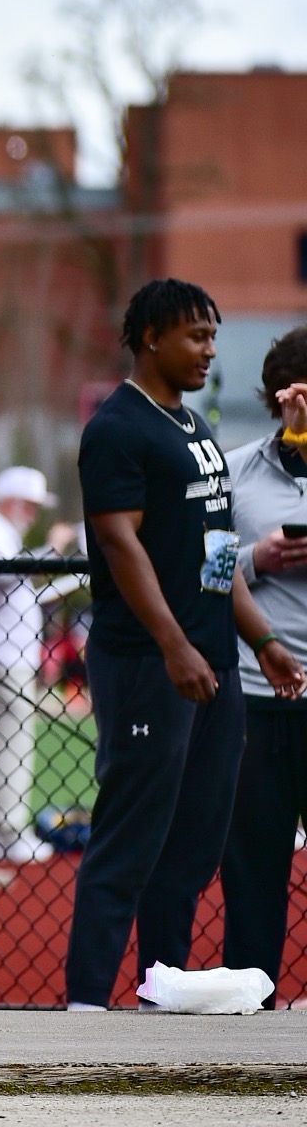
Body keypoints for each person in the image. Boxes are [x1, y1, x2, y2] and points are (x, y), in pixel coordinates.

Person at [66, 278, 305, 1012]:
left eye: (211, 334)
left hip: (216, 665)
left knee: (195, 844)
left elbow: (217, 551)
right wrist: (172, 643)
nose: (208, 349)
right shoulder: (118, 429)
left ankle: (160, 986)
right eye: (196, 336)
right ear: (151, 339)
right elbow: (119, 543)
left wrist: (257, 637)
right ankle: (83, 1008)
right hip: (148, 663)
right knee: (130, 837)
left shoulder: (194, 431)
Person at [222, 326, 307, 1005]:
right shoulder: (236, 469)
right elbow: (204, 566)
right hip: (254, 696)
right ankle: (252, 1004)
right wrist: (260, 557)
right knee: (252, 868)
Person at [0, 466, 72, 866]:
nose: (34, 515)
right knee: (12, 743)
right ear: (13, 501)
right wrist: (51, 551)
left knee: (5, 743)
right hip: (0, 658)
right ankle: (5, 832)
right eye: (31, 506)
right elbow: (5, 575)